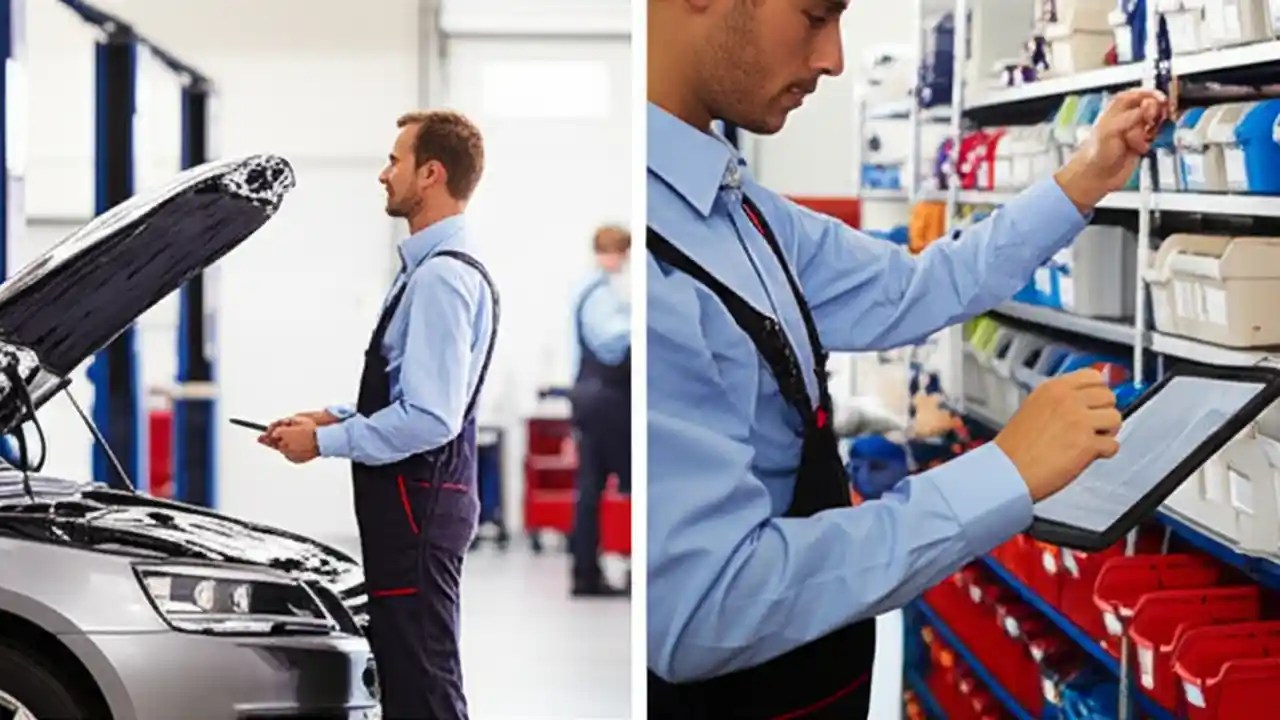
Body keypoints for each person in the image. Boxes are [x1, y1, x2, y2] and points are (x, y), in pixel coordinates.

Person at [645, 1, 1168, 717]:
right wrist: (1003, 473)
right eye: (814, 15)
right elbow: (706, 608)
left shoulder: (744, 211)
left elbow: (921, 286)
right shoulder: (655, 268)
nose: (834, 59)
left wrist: (1083, 178)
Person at [260, 109, 499, 720]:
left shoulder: (442, 279)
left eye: (396, 160)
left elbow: (428, 418)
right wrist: (328, 417)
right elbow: (408, 393)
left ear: (431, 173)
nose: (383, 174)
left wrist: (327, 443)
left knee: (423, 681)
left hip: (418, 508)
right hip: (415, 504)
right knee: (411, 671)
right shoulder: (430, 269)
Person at [568, 224, 632, 597]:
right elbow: (610, 344)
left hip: (591, 397)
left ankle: (586, 573)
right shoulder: (601, 294)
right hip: (606, 400)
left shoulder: (590, 289)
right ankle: (590, 573)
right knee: (627, 482)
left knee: (590, 489)